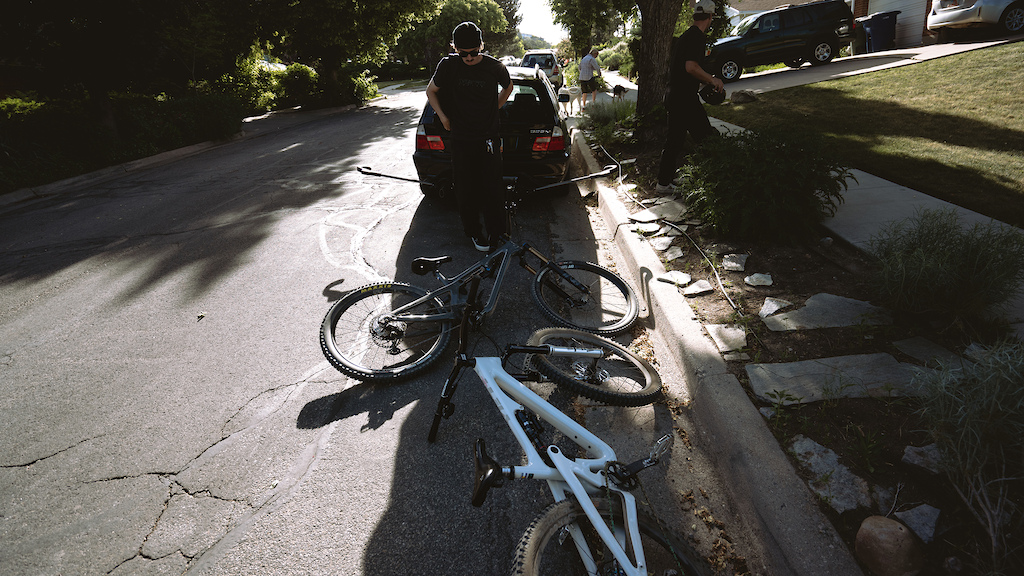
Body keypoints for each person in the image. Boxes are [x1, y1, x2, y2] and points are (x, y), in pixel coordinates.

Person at [426, 22, 514, 252]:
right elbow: (430, 91)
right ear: (454, 48)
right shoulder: (448, 66)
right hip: (461, 138)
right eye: (462, 53)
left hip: (488, 137)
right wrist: (444, 118)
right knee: (466, 188)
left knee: (493, 188)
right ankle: (475, 233)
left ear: (481, 46)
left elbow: (508, 87)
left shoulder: (494, 67)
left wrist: (494, 107)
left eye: (474, 52)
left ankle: (499, 232)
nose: (469, 58)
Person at [656, 0, 725, 193]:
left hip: (675, 95)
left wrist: (702, 81)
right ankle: (718, 179)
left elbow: (684, 71)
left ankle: (663, 182)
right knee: (706, 138)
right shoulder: (697, 37)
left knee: (675, 140)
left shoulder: (686, 36)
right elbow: (691, 67)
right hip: (684, 99)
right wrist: (712, 80)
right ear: (710, 17)